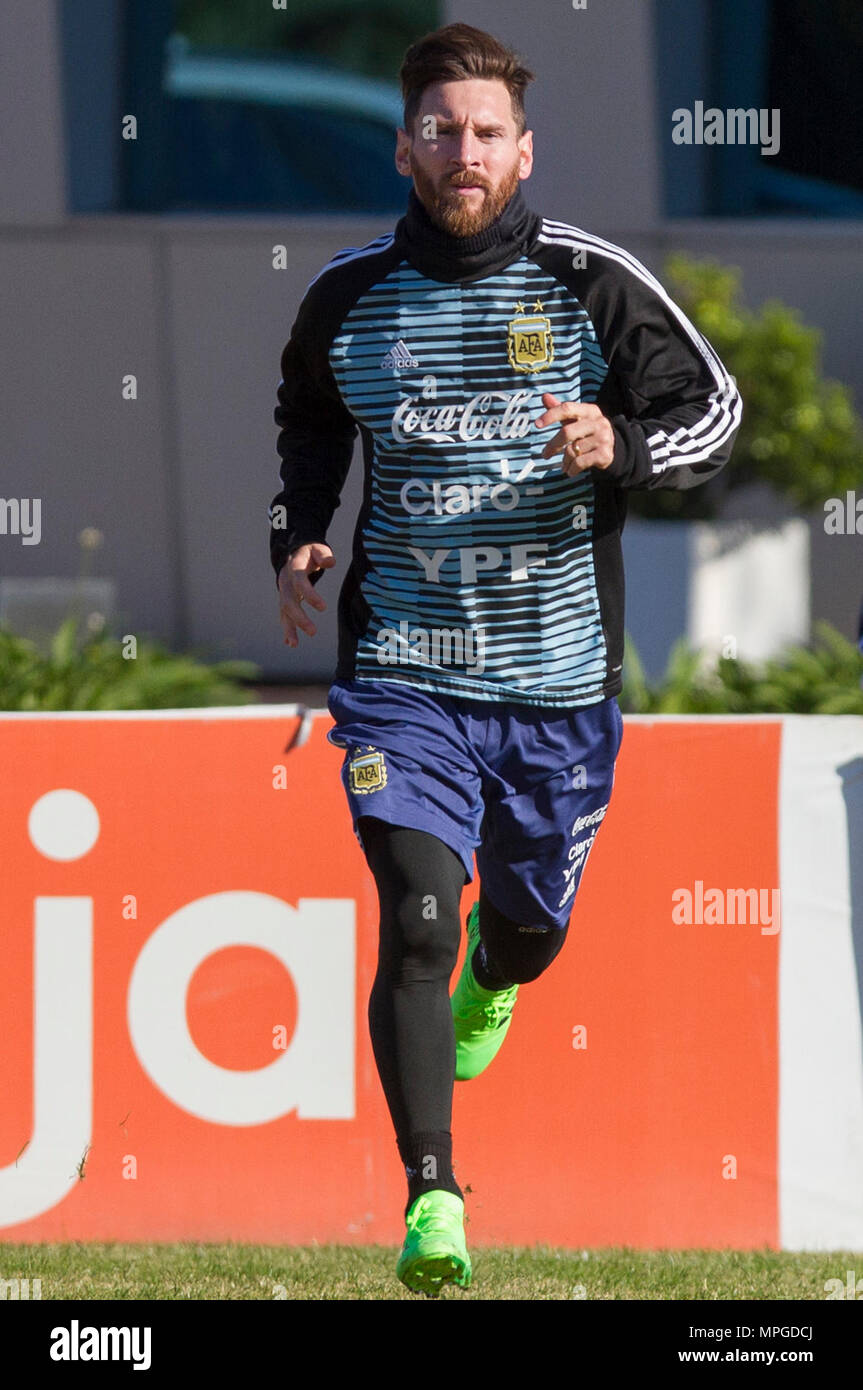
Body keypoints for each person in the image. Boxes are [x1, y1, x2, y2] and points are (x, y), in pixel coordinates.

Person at [268, 22, 741, 1297]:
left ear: (522, 152)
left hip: (555, 690)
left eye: (485, 132)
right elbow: (308, 417)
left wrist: (618, 443)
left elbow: (712, 406)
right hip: (402, 677)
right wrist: (299, 531)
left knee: (520, 935)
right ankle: (434, 1199)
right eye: (439, 128)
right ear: (405, 143)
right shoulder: (348, 297)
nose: (461, 150)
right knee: (415, 917)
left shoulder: (590, 283)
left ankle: (504, 970)